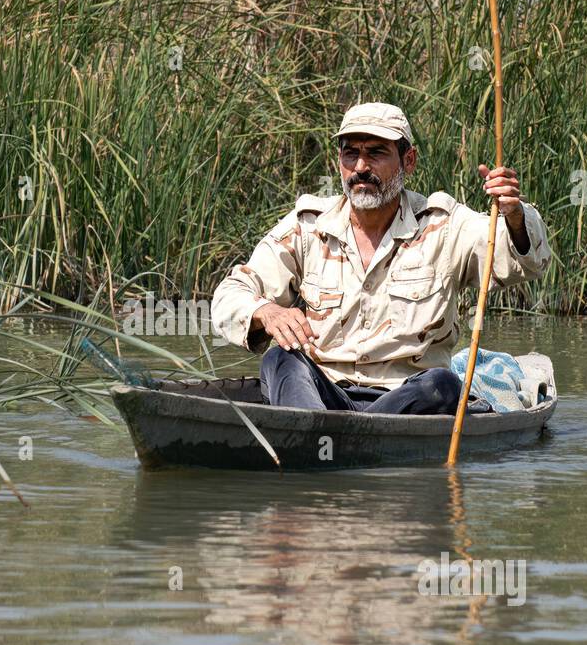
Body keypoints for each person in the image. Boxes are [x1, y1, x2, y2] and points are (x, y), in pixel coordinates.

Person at [211, 102, 551, 414]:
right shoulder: (308, 226)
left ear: (409, 161)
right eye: (350, 154)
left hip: (407, 399)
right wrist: (265, 312)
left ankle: (345, 438)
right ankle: (313, 433)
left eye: (376, 154)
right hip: (322, 398)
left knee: (443, 385)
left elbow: (524, 261)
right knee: (280, 359)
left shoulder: (444, 225)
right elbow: (230, 294)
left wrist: (514, 215)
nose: (361, 167)